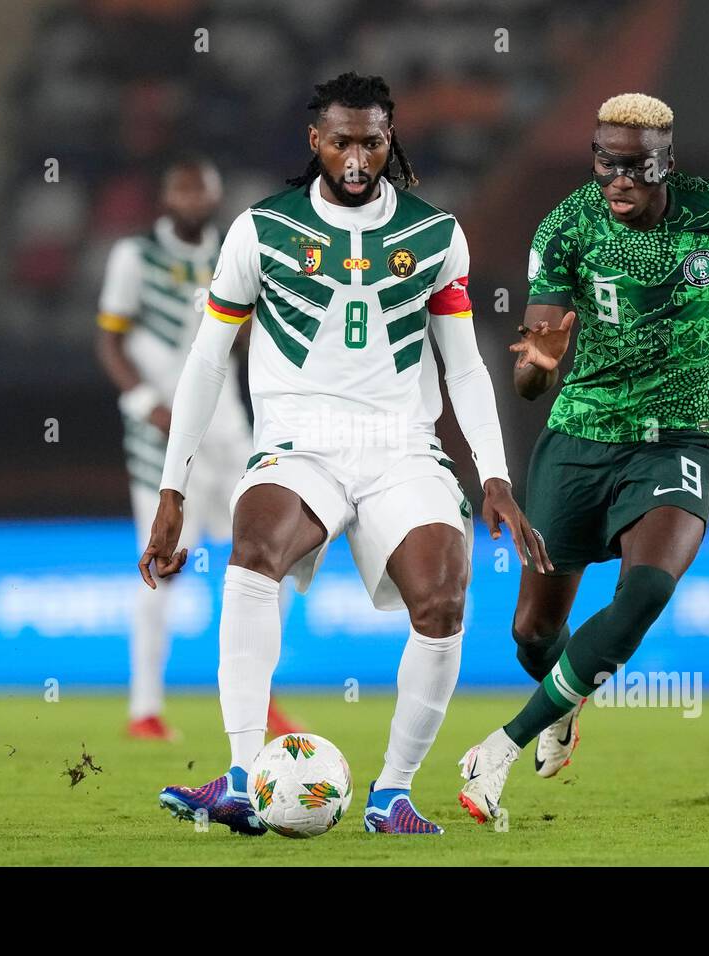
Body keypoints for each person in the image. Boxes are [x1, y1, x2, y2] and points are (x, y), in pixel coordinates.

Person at [141, 72, 550, 836]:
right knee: (254, 547)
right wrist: (174, 489)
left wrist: (493, 473)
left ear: (389, 140)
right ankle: (238, 777)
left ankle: (391, 794)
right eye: (341, 141)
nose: (356, 157)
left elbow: (462, 365)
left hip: (402, 446)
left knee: (444, 596)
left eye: (371, 141)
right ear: (314, 141)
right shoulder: (260, 230)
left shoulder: (435, 234)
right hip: (299, 443)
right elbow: (206, 360)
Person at [458, 93, 709, 822]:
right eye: (604, 163)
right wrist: (540, 363)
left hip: (677, 439)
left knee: (646, 593)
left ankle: (499, 747)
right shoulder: (567, 228)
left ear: (668, 164)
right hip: (581, 436)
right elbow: (528, 382)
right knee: (533, 636)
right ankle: (562, 700)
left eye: (635, 167)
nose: (616, 180)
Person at [95, 155, 299, 741]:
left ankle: (260, 698)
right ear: (166, 196)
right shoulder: (135, 257)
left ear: (214, 197)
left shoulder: (233, 253)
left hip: (231, 435)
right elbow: (109, 341)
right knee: (160, 567)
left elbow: (248, 342)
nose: (191, 199)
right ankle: (145, 709)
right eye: (180, 189)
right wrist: (145, 406)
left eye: (201, 190)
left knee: (268, 560)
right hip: (158, 443)